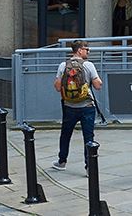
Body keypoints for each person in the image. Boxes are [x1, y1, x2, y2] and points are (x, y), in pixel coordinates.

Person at [51, 39, 102, 171]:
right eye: (87, 49)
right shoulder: (89, 65)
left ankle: (62, 162)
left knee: (65, 134)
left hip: (69, 107)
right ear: (79, 50)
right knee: (88, 137)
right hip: (87, 107)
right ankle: (89, 167)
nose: (88, 52)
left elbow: (57, 87)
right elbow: (98, 86)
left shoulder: (63, 65)